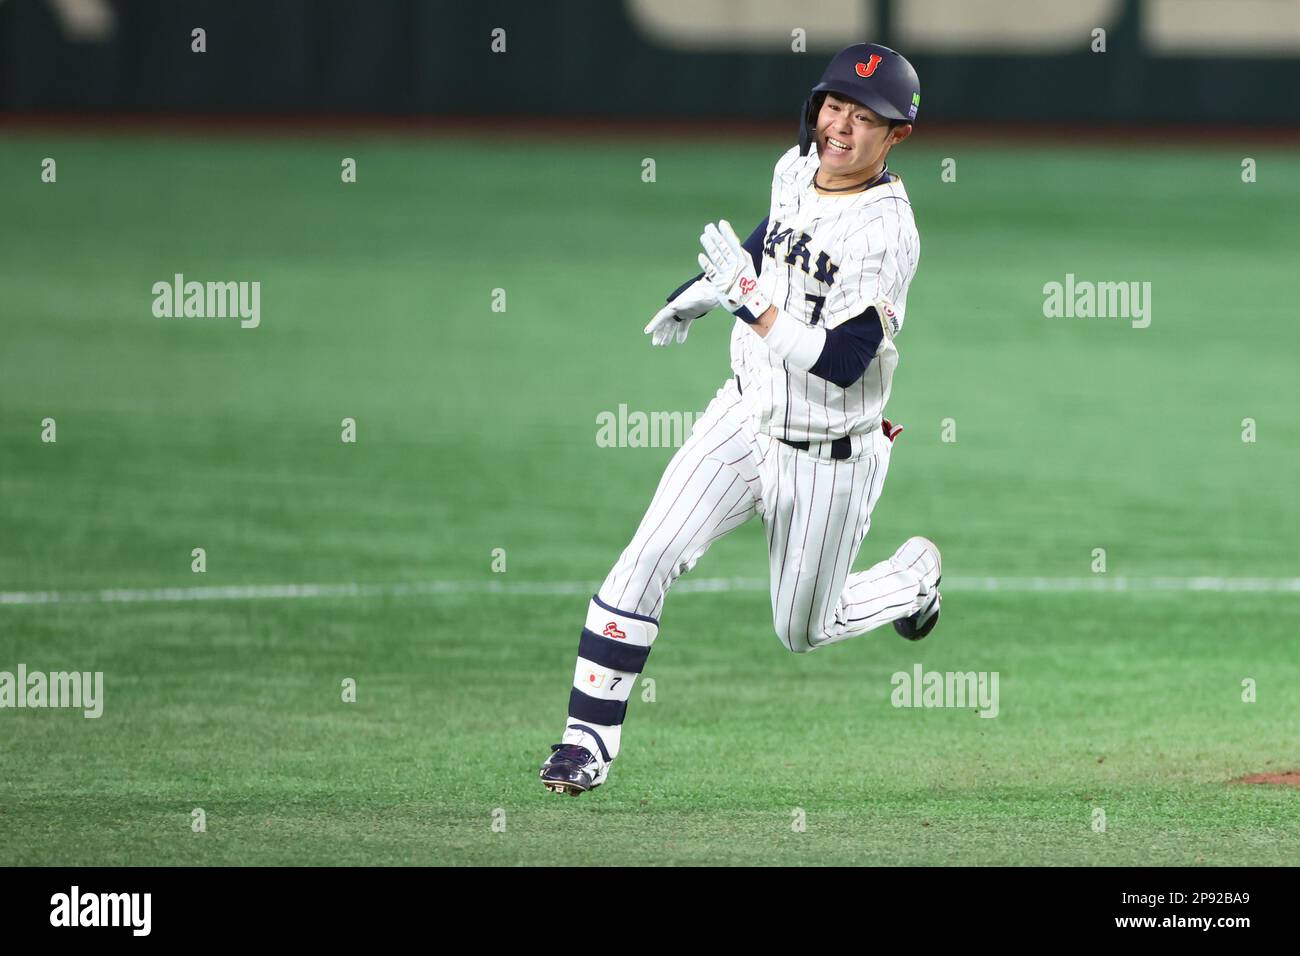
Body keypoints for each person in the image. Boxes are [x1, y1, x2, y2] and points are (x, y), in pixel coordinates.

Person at [541, 43, 941, 796]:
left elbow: (842, 359)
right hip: (742, 415)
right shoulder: (795, 167)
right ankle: (585, 740)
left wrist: (751, 305)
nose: (840, 127)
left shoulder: (886, 233)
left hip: (828, 453)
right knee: (648, 553)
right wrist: (698, 293)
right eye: (834, 106)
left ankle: (913, 578)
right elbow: (768, 243)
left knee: (804, 629)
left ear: (897, 136)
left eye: (864, 118)